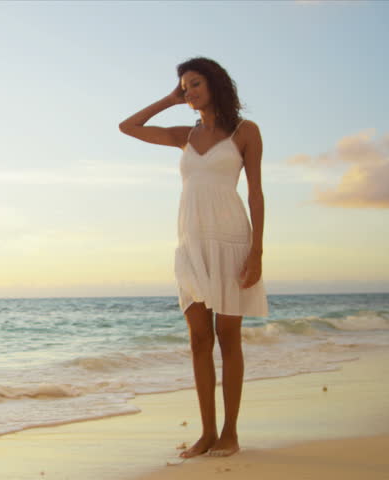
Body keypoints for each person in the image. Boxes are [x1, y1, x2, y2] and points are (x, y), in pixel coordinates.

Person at [118, 57, 268, 458]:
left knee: (228, 338)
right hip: (191, 244)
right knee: (198, 339)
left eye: (195, 83)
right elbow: (127, 127)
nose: (189, 91)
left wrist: (257, 251)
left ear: (215, 84)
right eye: (185, 86)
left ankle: (230, 433)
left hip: (231, 240)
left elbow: (255, 192)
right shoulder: (184, 135)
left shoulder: (244, 132)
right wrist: (168, 99)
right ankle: (206, 433)